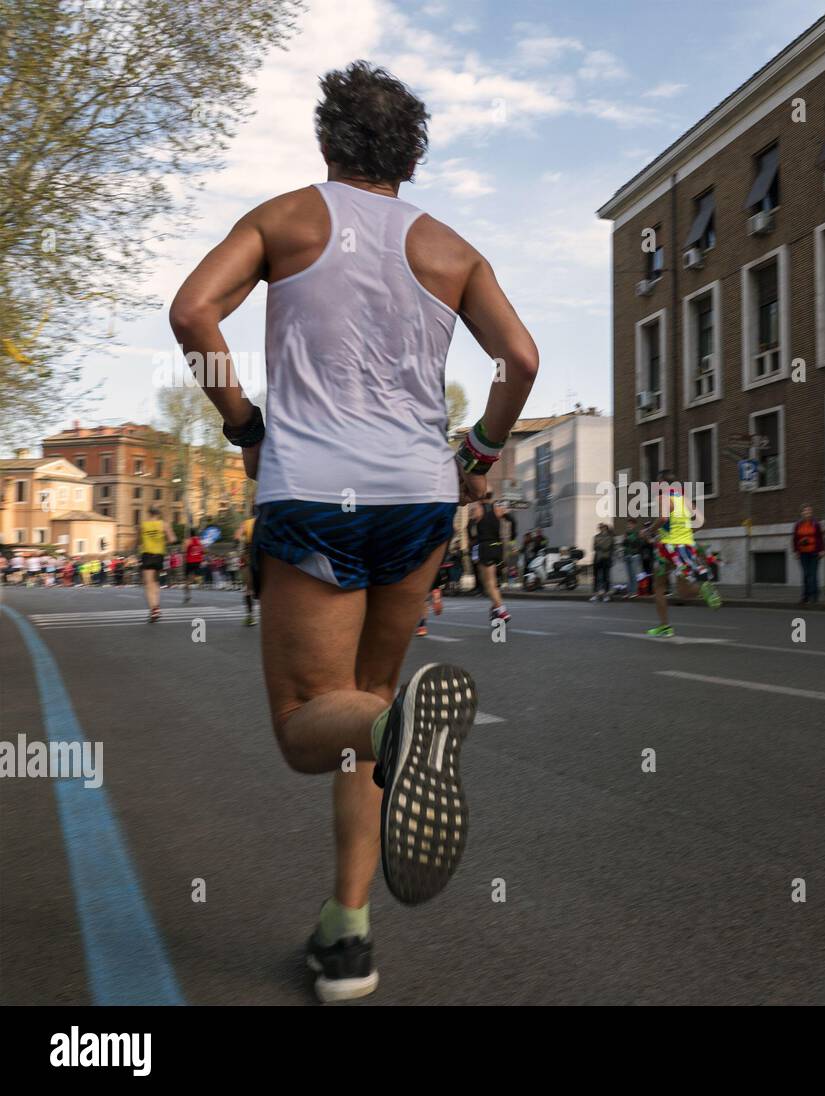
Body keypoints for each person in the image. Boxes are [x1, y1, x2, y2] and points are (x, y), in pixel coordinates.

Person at [169, 61, 538, 1002]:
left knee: (308, 725)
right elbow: (520, 357)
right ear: (410, 156)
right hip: (420, 499)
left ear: (329, 139)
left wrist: (244, 426)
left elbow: (192, 311)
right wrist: (483, 451)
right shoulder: (453, 249)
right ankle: (347, 933)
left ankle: (398, 727)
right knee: (364, 711)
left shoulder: (285, 218)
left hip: (313, 490)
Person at [645, 470, 721, 637]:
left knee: (659, 587)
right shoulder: (685, 500)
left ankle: (665, 627)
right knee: (683, 592)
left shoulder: (664, 498)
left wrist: (649, 531)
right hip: (686, 546)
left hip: (668, 549)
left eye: (658, 482)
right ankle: (703, 589)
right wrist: (685, 532)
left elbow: (664, 519)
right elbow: (700, 520)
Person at [468, 491, 511, 622]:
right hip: (498, 547)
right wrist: (513, 535)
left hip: (485, 546)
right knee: (494, 583)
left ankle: (502, 611)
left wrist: (473, 539)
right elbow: (512, 519)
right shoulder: (498, 509)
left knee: (489, 584)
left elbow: (469, 526)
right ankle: (495, 611)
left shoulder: (478, 509)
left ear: (480, 497)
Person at [792, 504, 825, 605]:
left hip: (814, 552)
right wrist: (796, 551)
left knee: (813, 575)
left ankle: (814, 597)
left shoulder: (816, 524)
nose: (807, 513)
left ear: (811, 513)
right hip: (803, 553)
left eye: (809, 511)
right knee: (806, 575)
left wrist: (822, 550)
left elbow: (820, 537)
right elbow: (795, 539)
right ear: (802, 513)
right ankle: (805, 597)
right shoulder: (798, 524)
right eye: (805, 511)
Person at [138, 508, 168, 623]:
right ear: (159, 514)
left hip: (147, 555)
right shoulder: (164, 525)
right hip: (159, 556)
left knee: (148, 584)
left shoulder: (143, 525)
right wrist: (161, 539)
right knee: (155, 583)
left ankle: (154, 609)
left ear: (149, 513)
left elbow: (138, 541)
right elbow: (172, 539)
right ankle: (156, 607)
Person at [236, 514, 258, 627]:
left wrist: (242, 541)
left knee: (248, 589)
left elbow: (237, 537)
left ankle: (250, 616)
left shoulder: (246, 523)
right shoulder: (267, 521)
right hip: (264, 556)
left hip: (249, 556)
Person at [590, 522, 614, 602]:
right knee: (596, 578)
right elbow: (594, 547)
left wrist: (599, 544)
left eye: (602, 527)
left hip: (606, 558)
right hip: (597, 558)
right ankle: (596, 594)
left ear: (605, 528)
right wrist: (600, 545)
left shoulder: (610, 537)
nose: (601, 529)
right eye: (600, 528)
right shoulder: (596, 536)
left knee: (605, 577)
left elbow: (606, 547)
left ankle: (606, 595)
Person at [620, 518, 643, 599]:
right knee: (629, 575)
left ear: (634, 524)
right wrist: (625, 539)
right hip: (627, 555)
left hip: (634, 555)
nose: (628, 525)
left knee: (633, 574)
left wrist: (629, 539)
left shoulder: (637, 533)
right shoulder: (626, 533)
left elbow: (639, 544)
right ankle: (629, 592)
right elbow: (623, 544)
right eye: (628, 524)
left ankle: (634, 592)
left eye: (630, 524)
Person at [183, 530, 204, 603]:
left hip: (190, 561)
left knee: (187, 580)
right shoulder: (200, 541)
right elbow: (202, 551)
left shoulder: (188, 541)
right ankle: (199, 583)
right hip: (198, 561)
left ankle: (187, 595)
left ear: (189, 534)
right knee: (196, 575)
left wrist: (184, 560)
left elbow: (184, 552)